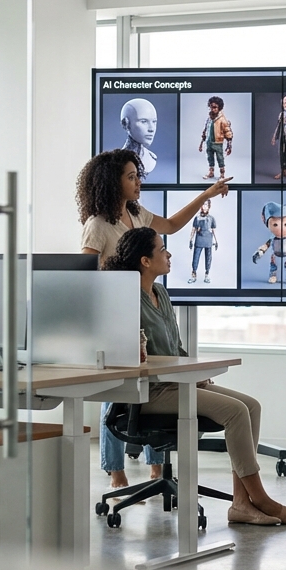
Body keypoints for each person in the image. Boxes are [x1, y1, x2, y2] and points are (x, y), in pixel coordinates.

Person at [105, 227, 286, 527]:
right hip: (150, 391)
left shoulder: (160, 293)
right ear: (145, 261)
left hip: (177, 383)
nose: (169, 254)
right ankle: (260, 498)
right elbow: (127, 353)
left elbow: (176, 346)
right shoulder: (126, 299)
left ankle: (241, 503)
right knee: (235, 412)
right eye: (162, 249)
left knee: (251, 406)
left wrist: (195, 374)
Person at [76, 148, 230, 492]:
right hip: (117, 317)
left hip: (147, 307)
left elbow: (171, 226)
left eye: (138, 176)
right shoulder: (98, 225)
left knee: (156, 385)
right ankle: (115, 471)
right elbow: (85, 276)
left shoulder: (137, 213)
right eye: (131, 177)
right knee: (119, 394)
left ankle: (157, 468)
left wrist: (205, 195)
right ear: (111, 182)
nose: (138, 183)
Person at [120, 98, 160, 175]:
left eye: (154, 122)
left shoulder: (151, 158)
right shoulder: (118, 161)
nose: (151, 129)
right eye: (144, 121)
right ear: (126, 124)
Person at [199, 96, 233, 181]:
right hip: (209, 142)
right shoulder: (209, 119)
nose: (212, 109)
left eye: (215, 107)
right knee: (210, 157)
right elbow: (206, 130)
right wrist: (202, 142)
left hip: (218, 143)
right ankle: (211, 172)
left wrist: (229, 145)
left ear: (219, 107)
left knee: (220, 158)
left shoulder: (222, 120)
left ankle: (222, 175)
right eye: (211, 107)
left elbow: (227, 131)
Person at [188, 201, 218, 283]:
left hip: (208, 240)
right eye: (203, 204)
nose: (204, 207)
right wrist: (190, 240)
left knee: (208, 258)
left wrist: (216, 241)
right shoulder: (197, 218)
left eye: (206, 205)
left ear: (209, 206)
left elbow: (213, 230)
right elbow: (193, 229)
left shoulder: (211, 218)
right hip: (199, 240)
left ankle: (207, 275)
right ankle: (193, 275)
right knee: (195, 258)